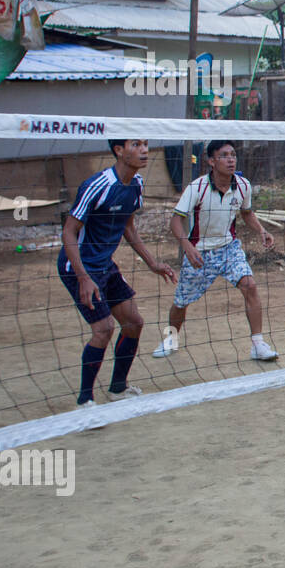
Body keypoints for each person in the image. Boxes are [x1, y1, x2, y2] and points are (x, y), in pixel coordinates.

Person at [58, 139, 177, 407]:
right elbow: (68, 231)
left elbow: (129, 227)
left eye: (146, 144)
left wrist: (152, 263)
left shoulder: (136, 185)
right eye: (136, 144)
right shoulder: (97, 185)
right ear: (119, 151)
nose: (144, 150)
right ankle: (85, 400)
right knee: (103, 329)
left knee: (134, 323)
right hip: (77, 266)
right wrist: (83, 277)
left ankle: (117, 389)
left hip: (104, 265)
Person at [152, 139, 279, 361]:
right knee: (181, 302)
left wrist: (261, 230)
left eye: (233, 154)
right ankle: (170, 339)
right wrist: (187, 247)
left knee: (250, 285)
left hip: (229, 248)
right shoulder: (197, 187)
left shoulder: (242, 185)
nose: (231, 159)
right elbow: (175, 221)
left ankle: (258, 345)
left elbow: (246, 213)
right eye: (224, 155)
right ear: (211, 161)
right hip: (199, 253)